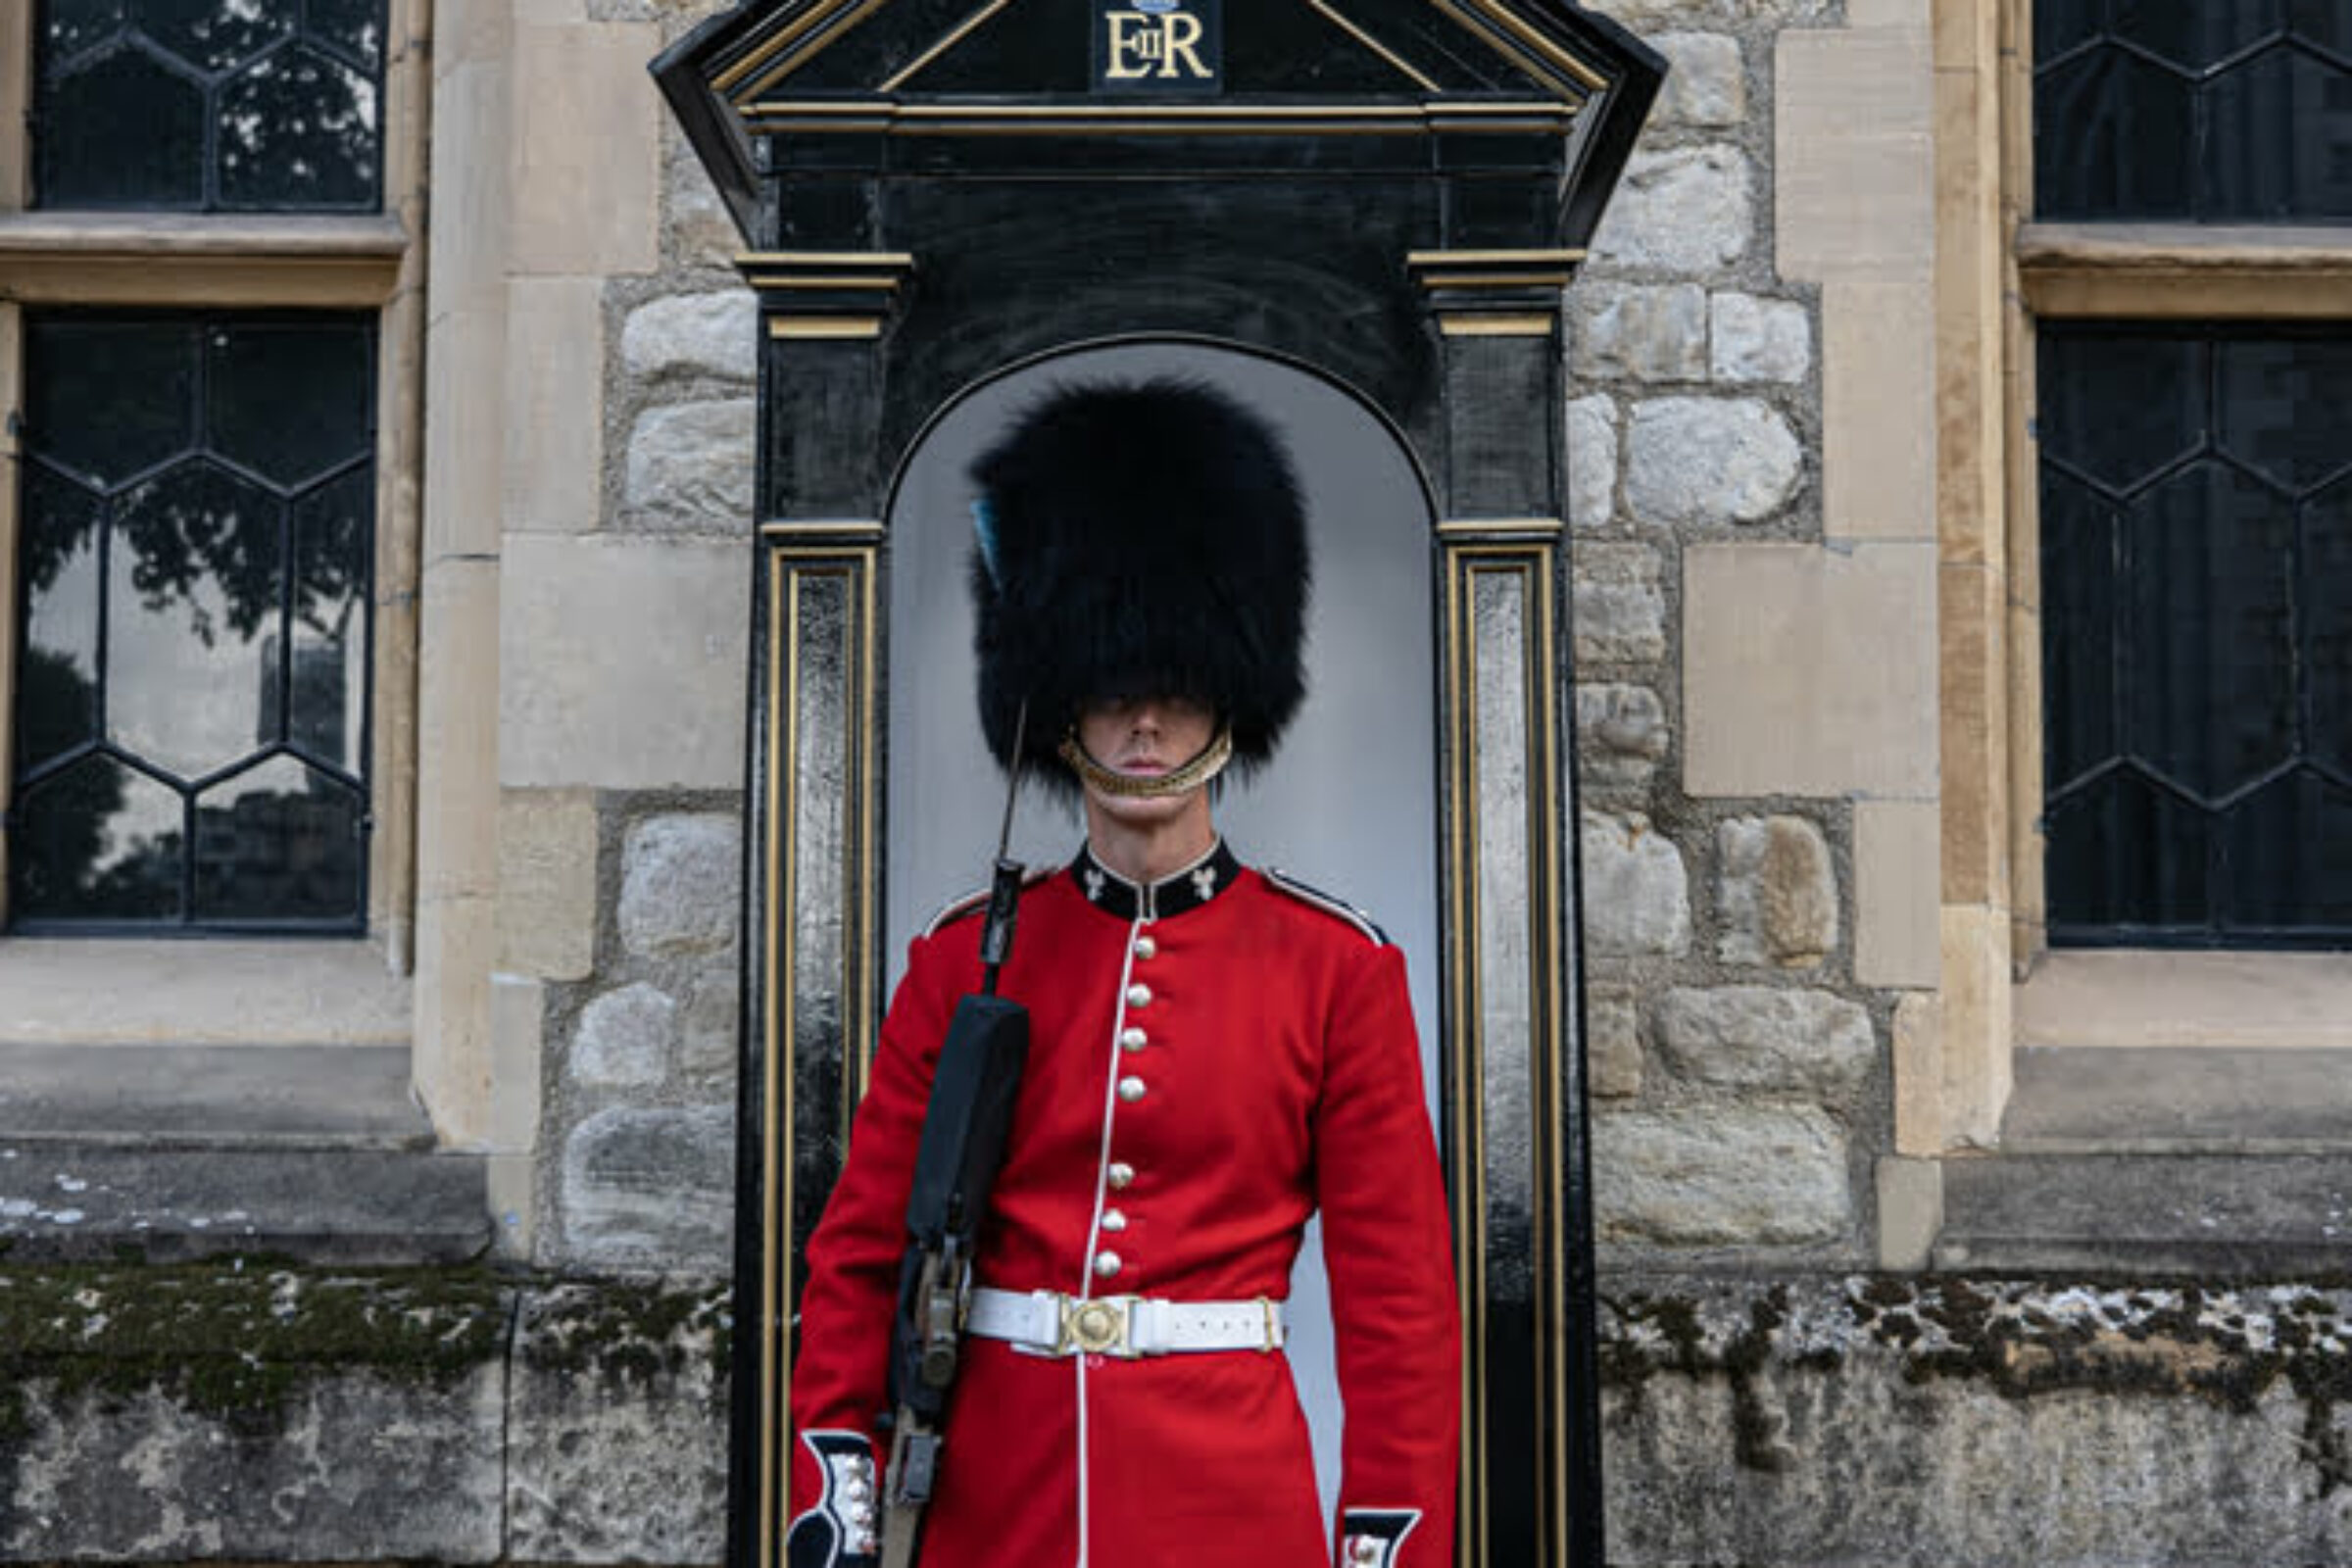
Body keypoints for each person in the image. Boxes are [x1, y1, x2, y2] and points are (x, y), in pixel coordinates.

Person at [783, 379, 1461, 1568]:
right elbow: (862, 1251)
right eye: (1108, 691)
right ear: (1059, 713)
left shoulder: (1336, 970)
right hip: (999, 1505)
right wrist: (839, 1474)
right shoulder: (962, 961)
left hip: (1225, 1504)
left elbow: (1397, 1308)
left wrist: (1384, 1537)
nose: (1143, 722)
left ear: (1228, 704)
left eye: (1176, 687)